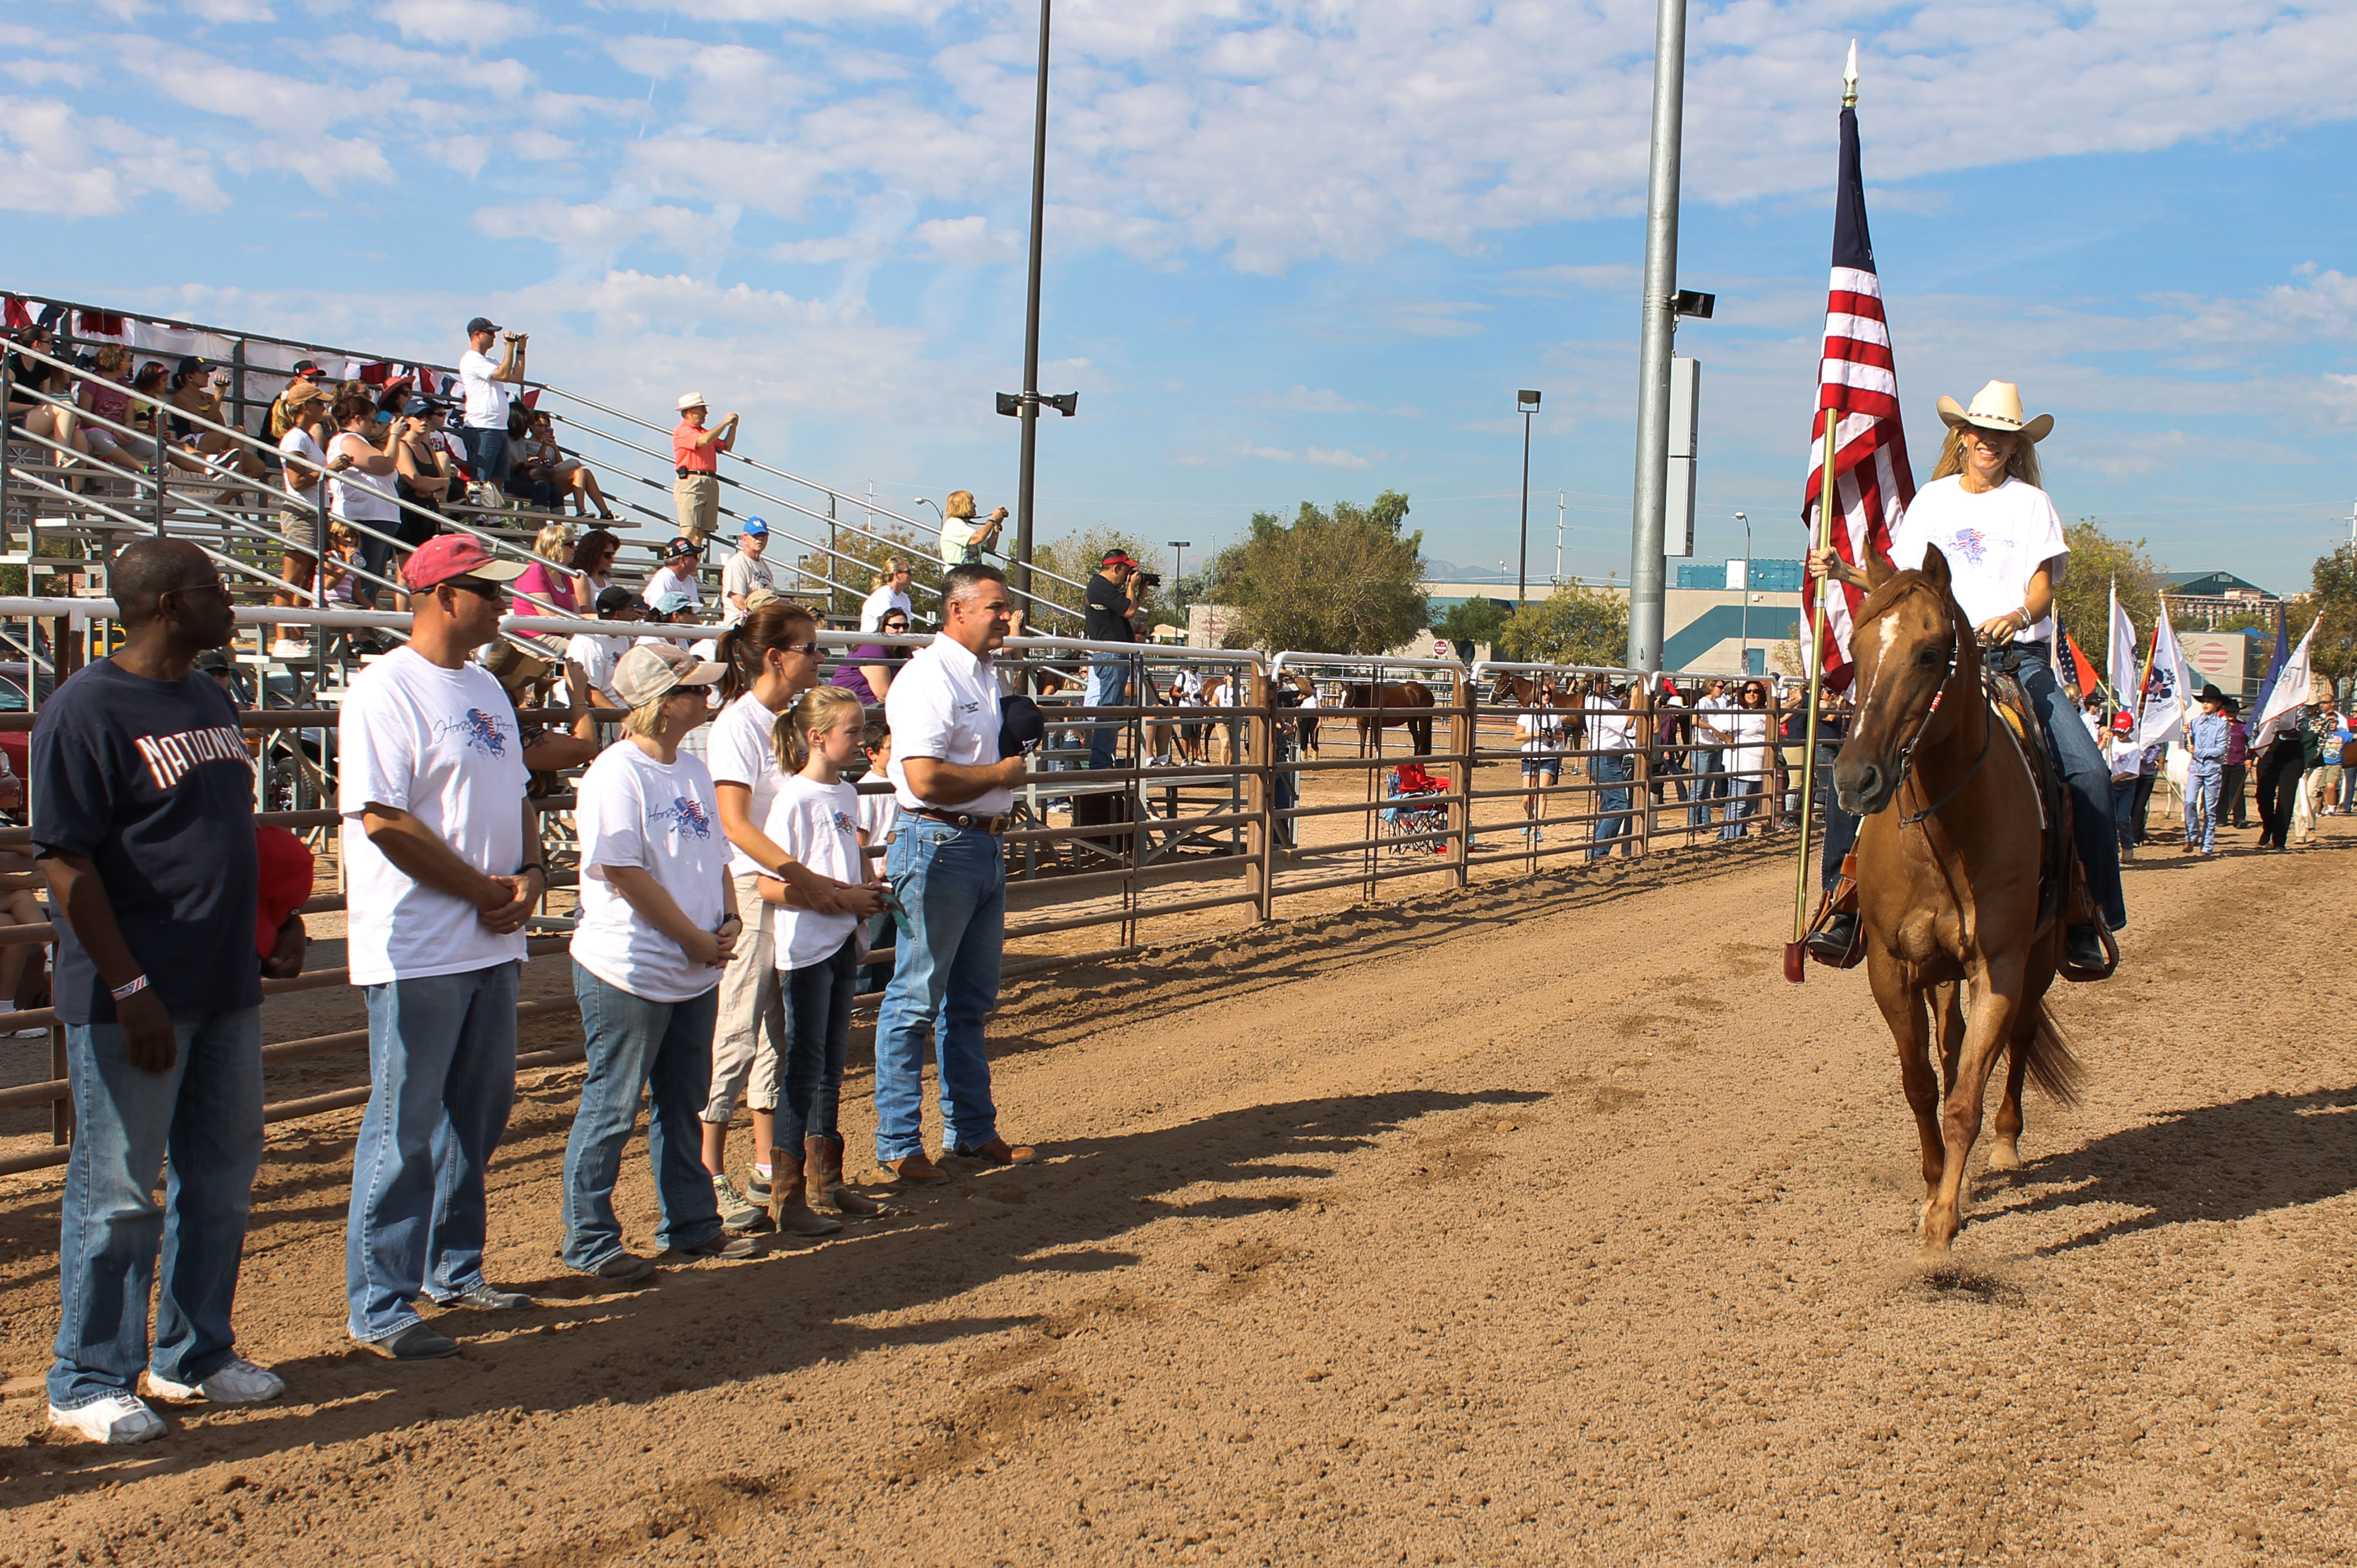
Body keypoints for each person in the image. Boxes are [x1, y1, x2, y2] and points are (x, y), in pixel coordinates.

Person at [32, 539, 304, 1445]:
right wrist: (130, 984)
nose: (229, 603)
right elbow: (65, 863)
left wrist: (277, 920)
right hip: (136, 995)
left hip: (224, 982)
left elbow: (224, 825)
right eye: (212, 590)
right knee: (115, 1191)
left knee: (222, 1179)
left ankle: (195, 1352)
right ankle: (86, 1374)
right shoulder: (85, 709)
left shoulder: (209, 696)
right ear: (161, 603)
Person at [1806, 379, 2121, 973]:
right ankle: (1842, 899)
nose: (1989, 442)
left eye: (2002, 436)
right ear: (1962, 435)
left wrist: (2018, 616)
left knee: (2088, 773)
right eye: (1979, 432)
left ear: (2014, 445)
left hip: (2011, 659)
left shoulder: (2030, 504)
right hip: (1934, 660)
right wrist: (1845, 570)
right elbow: (1903, 587)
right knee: (1857, 761)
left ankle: (2086, 909)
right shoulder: (1932, 500)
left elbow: (2042, 588)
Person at [338, 535, 541, 1360]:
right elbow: (384, 820)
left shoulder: (488, 685)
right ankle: (381, 1300)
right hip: (422, 943)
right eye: (487, 591)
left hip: (487, 936)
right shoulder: (384, 688)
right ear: (443, 596)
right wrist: (484, 891)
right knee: (404, 1121)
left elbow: (520, 795)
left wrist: (529, 874)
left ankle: (452, 1268)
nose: (500, 605)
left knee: (480, 1111)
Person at [560, 643, 754, 1278]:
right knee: (613, 1103)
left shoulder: (687, 769)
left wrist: (725, 920)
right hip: (632, 965)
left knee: (681, 1099)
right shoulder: (618, 771)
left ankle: (691, 1223)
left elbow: (718, 857)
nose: (705, 697)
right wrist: (696, 938)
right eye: (693, 690)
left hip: (688, 963)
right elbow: (622, 871)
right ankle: (590, 1239)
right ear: (662, 704)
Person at [699, 603, 883, 1230]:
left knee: (789, 1045)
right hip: (764, 887)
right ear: (776, 657)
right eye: (809, 648)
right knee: (740, 1028)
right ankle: (713, 1174)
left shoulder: (786, 724)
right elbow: (734, 823)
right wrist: (809, 881)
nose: (819, 657)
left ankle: (780, 1175)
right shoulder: (738, 725)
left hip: (800, 889)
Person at [874, 563, 1037, 1183]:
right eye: (994, 607)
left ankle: (969, 1132)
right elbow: (922, 778)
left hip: (976, 845)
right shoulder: (927, 678)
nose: (1005, 616)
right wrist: (1000, 776)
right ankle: (897, 1141)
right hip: (938, 841)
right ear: (957, 610)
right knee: (916, 996)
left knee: (966, 1000)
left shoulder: (982, 674)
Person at [758, 684, 888, 1231]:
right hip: (808, 945)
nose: (862, 741)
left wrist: (866, 890)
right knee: (806, 1066)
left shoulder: (842, 794)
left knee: (829, 1064)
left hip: (838, 940)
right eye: (852, 732)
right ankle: (788, 1194)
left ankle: (824, 1182)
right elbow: (768, 884)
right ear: (816, 737)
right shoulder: (793, 798)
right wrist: (844, 897)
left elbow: (851, 858)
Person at [327, 397, 402, 608]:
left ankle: (362, 633)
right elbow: (386, 465)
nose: (375, 426)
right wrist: (394, 436)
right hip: (363, 518)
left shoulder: (361, 442)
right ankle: (356, 634)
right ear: (358, 419)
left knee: (372, 579)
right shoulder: (348, 440)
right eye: (372, 421)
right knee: (364, 579)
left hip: (377, 518)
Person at [1084, 550, 1144, 771]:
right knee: (1109, 709)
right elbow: (1129, 611)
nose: (1128, 576)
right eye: (1127, 571)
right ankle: (1100, 763)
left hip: (1112, 655)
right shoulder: (1101, 586)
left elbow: (1131, 607)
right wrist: (1133, 587)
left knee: (1112, 709)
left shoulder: (1103, 588)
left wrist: (1139, 590)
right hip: (1111, 655)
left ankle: (1103, 760)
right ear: (1116, 568)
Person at [855, 714, 899, 997]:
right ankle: (861, 995)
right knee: (873, 938)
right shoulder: (866, 789)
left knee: (893, 939)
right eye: (890, 748)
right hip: (878, 876)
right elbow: (860, 838)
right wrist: (869, 872)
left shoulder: (901, 783)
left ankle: (883, 991)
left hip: (896, 871)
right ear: (872, 753)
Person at [456, 317, 526, 488]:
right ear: (477, 334)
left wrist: (520, 351)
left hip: (499, 427)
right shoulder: (471, 359)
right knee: (481, 478)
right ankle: (479, 514)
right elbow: (502, 374)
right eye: (490, 333)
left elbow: (516, 377)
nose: (494, 337)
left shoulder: (490, 361)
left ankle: (493, 515)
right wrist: (509, 347)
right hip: (482, 426)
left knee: (498, 477)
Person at [671, 394, 738, 548]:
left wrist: (732, 427)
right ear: (690, 412)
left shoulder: (703, 432)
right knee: (689, 529)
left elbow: (726, 446)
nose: (705, 413)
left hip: (709, 481)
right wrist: (725, 423)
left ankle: (693, 569)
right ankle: (679, 562)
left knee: (701, 533)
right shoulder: (683, 430)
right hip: (691, 481)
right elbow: (704, 441)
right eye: (702, 409)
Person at [1586, 681, 1638, 859]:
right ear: (1597, 684)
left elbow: (1622, 704)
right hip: (1605, 759)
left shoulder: (1603, 700)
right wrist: (1637, 698)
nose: (1611, 683)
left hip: (1607, 759)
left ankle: (1595, 852)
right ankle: (1598, 852)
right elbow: (1628, 723)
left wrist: (1634, 697)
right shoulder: (1599, 704)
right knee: (1619, 805)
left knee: (1609, 806)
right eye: (1607, 680)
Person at [1720, 680, 1773, 840]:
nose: (1752, 694)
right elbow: (1715, 726)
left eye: (1756, 691)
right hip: (1741, 763)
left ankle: (1736, 834)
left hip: (1758, 766)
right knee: (1739, 803)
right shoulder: (1737, 710)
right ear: (1743, 694)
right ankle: (1731, 837)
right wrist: (1728, 740)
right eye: (1748, 691)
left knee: (1749, 804)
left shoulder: (1765, 712)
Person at [2251, 699, 2307, 851]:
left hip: (2293, 755)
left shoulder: (2299, 705)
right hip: (2269, 753)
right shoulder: (2266, 705)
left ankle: (2280, 839)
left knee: (2286, 799)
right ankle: (2269, 826)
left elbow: (2304, 727)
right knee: (2263, 795)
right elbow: (2256, 728)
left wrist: (2289, 726)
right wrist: (2251, 753)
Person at [2182, 687, 2231, 857]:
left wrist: (2199, 752)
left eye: (2209, 701)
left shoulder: (2222, 725)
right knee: (2189, 802)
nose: (2205, 704)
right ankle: (2192, 835)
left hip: (2212, 771)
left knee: (2210, 809)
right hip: (2196, 769)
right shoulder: (2195, 722)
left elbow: (2221, 750)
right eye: (2204, 701)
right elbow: (2189, 746)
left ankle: (2208, 844)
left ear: (2218, 704)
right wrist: (2185, 735)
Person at [832, 607, 909, 708]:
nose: (902, 630)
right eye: (896, 626)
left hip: (865, 707)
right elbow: (884, 696)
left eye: (905, 626)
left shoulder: (902, 652)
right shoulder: (873, 648)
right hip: (842, 707)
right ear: (883, 627)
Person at [512, 521, 579, 623]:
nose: (575, 548)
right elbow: (550, 616)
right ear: (556, 547)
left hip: (562, 631)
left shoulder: (564, 574)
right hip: (536, 635)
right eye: (570, 544)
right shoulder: (533, 572)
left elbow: (577, 614)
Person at [1517, 694, 1563, 842]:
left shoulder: (1554, 715)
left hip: (1548, 757)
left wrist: (1553, 737)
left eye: (1549, 693)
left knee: (1542, 795)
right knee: (1527, 798)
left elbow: (1561, 737)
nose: (1547, 696)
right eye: (1543, 693)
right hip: (1529, 756)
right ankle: (1530, 818)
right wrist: (1534, 734)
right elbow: (1517, 736)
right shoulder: (1527, 714)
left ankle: (1538, 829)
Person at [1689, 677, 1731, 829]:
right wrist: (1713, 729)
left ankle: (1705, 822)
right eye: (1720, 687)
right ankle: (1693, 823)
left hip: (1714, 747)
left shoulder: (1717, 703)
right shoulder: (1703, 702)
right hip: (1704, 747)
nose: (1722, 689)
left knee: (1707, 788)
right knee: (1699, 787)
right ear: (1711, 687)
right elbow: (1695, 720)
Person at [719, 519, 775, 627]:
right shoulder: (737, 563)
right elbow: (738, 600)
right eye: (755, 536)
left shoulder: (764, 566)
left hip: (760, 625)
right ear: (744, 539)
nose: (760, 539)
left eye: (763, 536)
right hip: (739, 627)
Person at [935, 491, 1005, 566]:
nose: (975, 506)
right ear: (962, 506)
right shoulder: (953, 524)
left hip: (971, 573)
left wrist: (996, 525)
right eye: (971, 503)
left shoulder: (964, 527)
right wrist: (992, 519)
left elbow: (990, 546)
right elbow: (979, 537)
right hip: (959, 574)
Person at [643, 535, 704, 611]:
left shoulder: (689, 580)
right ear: (683, 560)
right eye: (695, 556)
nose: (698, 560)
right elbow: (662, 612)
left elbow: (693, 613)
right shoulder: (665, 577)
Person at [2221, 696, 2251, 829]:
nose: (2231, 714)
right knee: (2221, 790)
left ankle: (2239, 818)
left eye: (2233, 712)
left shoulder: (2244, 726)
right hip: (2221, 763)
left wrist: (2249, 758)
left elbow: (2250, 743)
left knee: (2238, 791)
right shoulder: (2219, 725)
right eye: (2229, 712)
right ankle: (2220, 817)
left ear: (2238, 712)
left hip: (2238, 762)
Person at [861, 559, 915, 632]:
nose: (911, 575)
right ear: (897, 575)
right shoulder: (883, 596)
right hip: (874, 642)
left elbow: (908, 629)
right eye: (908, 572)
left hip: (896, 641)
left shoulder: (904, 598)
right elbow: (888, 627)